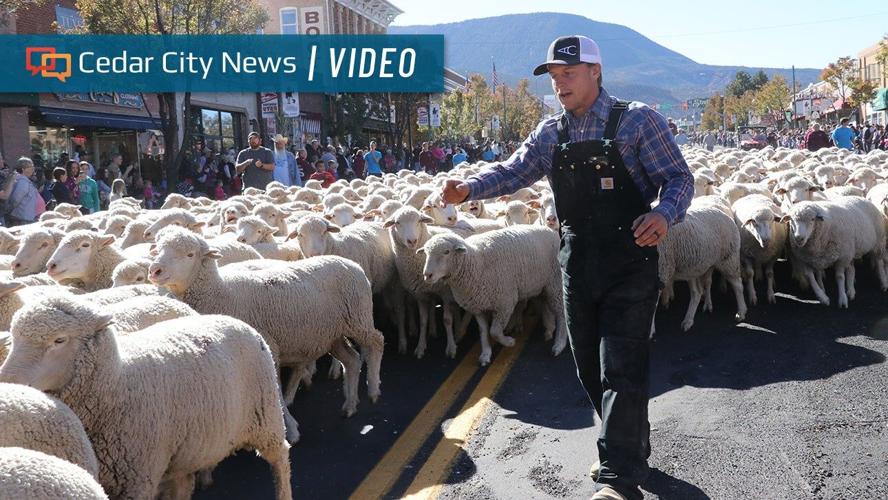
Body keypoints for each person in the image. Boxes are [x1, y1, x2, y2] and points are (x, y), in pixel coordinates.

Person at [441, 35, 693, 500]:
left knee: (621, 362)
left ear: (596, 72)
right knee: (588, 367)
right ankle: (629, 442)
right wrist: (469, 189)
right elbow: (513, 172)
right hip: (577, 258)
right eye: (555, 77)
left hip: (629, 257)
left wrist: (664, 213)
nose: (561, 84)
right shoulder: (550, 133)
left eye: (569, 74)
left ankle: (617, 476)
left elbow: (678, 177)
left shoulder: (637, 121)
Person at [5, 157, 40, 226]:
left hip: (25, 218)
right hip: (22, 220)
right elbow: (15, 200)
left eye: (33, 166)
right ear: (23, 169)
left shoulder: (24, 180)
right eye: (30, 167)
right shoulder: (22, 182)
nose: (33, 169)